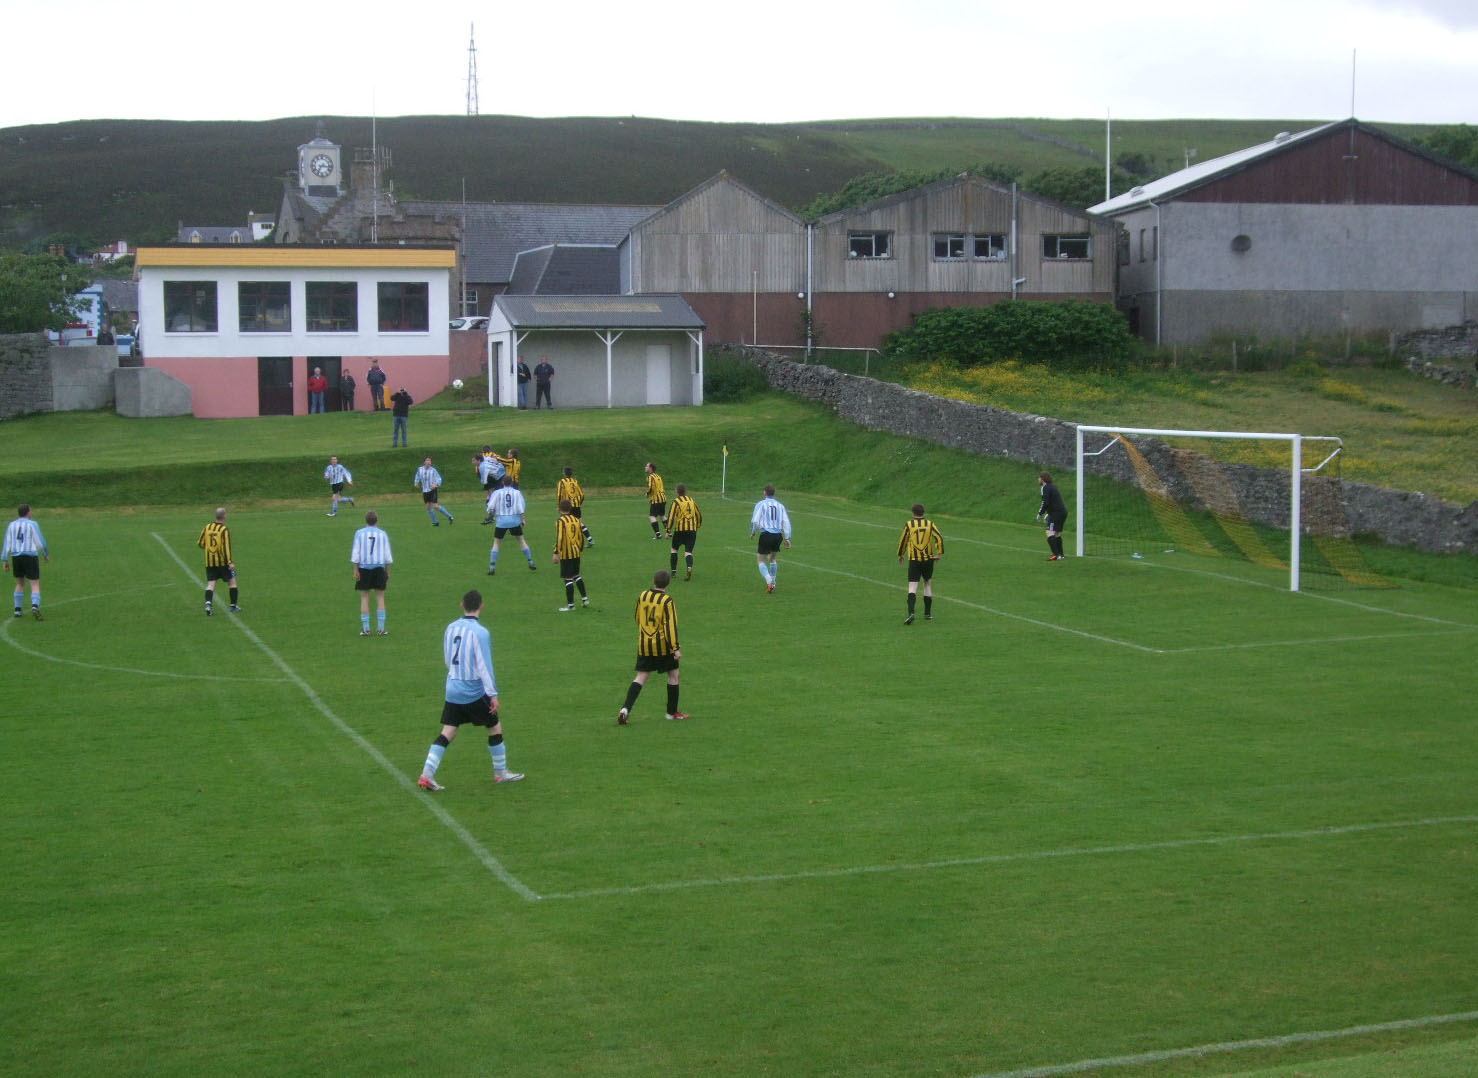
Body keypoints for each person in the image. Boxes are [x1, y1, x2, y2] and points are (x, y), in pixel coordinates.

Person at [417, 589, 524, 791]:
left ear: (462, 606)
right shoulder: (481, 632)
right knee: (494, 726)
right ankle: (501, 773)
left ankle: (427, 774)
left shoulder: (450, 627)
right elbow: (484, 666)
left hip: (452, 687)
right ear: (481, 607)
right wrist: (493, 695)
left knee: (449, 730)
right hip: (473, 691)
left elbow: (447, 658)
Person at [616, 569, 687, 725]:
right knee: (674, 675)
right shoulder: (667, 601)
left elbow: (637, 617)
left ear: (654, 581)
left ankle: (625, 709)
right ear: (668, 584)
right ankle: (671, 713)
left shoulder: (643, 596)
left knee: (641, 677)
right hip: (663, 646)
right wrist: (675, 648)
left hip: (645, 644)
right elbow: (670, 626)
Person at [897, 503, 944, 625]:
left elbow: (903, 540)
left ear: (913, 513)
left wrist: (901, 554)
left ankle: (911, 613)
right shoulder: (930, 524)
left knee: (912, 586)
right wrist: (939, 554)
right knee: (927, 584)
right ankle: (928, 614)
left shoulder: (909, 525)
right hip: (928, 559)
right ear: (923, 512)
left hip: (914, 560)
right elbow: (939, 538)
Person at [4, 503, 49, 621]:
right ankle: (35, 606)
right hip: (30, 556)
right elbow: (40, 542)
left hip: (16, 557)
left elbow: (7, 542)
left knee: (20, 583)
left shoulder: (11, 525)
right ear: (28, 512)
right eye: (31, 510)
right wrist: (45, 554)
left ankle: (17, 609)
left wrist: (5, 559)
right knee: (34, 583)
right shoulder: (32, 524)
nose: (32, 512)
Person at [351, 509, 393, 635]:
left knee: (364, 598)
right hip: (379, 568)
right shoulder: (382, 534)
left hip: (364, 568)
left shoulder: (359, 533)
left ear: (366, 520)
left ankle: (366, 629)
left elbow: (356, 553)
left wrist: (356, 569)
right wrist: (387, 571)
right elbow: (387, 555)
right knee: (380, 597)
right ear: (377, 520)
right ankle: (381, 629)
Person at [486, 475, 536, 575]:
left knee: (496, 543)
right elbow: (520, 506)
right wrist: (523, 519)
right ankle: (530, 561)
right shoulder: (517, 493)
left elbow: (490, 506)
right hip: (514, 520)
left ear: (503, 483)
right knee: (521, 540)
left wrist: (490, 513)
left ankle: (492, 567)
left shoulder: (497, 492)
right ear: (512, 483)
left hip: (501, 521)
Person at [750, 484, 792, 594]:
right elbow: (786, 522)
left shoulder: (761, 504)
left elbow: (755, 521)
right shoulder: (780, 506)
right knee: (772, 559)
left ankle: (769, 581)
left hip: (766, 535)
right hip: (778, 536)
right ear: (774, 493)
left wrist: (753, 532)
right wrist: (787, 538)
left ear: (764, 492)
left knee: (761, 560)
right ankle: (773, 581)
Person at [197, 506, 240, 616]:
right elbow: (226, 548)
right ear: (224, 516)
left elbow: (200, 543)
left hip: (210, 562)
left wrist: (210, 549)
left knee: (211, 584)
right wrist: (230, 562)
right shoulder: (224, 530)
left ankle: (208, 604)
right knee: (232, 582)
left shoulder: (207, 527)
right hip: (223, 562)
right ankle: (233, 606)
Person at [553, 498, 590, 611]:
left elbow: (560, 537)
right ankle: (585, 599)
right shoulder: (576, 519)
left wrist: (556, 552)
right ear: (570, 508)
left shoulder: (561, 521)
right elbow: (580, 536)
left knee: (568, 578)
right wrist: (580, 549)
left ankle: (571, 606)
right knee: (576, 575)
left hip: (566, 553)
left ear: (559, 509)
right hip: (576, 552)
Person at [665, 483, 702, 581]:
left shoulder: (676, 502)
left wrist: (668, 530)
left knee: (674, 550)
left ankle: (673, 572)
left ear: (677, 492)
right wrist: (697, 526)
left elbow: (671, 517)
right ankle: (689, 567)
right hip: (692, 530)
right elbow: (698, 515)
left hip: (680, 531)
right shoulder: (691, 500)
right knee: (688, 552)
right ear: (685, 491)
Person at [556, 465, 594, 547]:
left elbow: (559, 495)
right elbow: (582, 494)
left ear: (564, 473)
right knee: (578, 523)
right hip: (577, 506)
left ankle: (566, 542)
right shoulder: (575, 481)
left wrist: (559, 506)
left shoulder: (562, 482)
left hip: (567, 506)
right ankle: (589, 539)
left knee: (565, 522)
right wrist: (579, 503)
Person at [414, 456, 455, 526]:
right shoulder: (420, 469)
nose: (428, 462)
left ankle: (450, 517)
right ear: (424, 462)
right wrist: (416, 482)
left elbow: (439, 479)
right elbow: (417, 476)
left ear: (431, 462)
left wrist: (436, 484)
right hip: (425, 491)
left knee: (435, 506)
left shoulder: (433, 470)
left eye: (430, 461)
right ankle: (435, 522)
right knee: (428, 507)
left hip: (432, 490)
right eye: (427, 460)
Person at [1037, 472, 1068, 561]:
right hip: (1062, 512)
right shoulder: (1053, 486)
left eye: (1039, 478)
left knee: (1049, 532)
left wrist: (1040, 513)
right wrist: (1048, 513)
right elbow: (1054, 501)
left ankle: (1056, 555)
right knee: (1057, 534)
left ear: (1042, 479)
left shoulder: (1045, 488)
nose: (1038, 480)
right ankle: (1061, 555)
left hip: (1056, 513)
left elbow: (1045, 502)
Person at [475, 447, 507, 521]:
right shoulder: (492, 454)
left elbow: (479, 471)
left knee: (489, 495)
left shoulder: (482, 457)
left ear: (483, 450)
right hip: (495, 474)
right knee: (494, 495)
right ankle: (494, 513)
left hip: (488, 474)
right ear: (490, 450)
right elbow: (497, 459)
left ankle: (491, 514)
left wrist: (481, 478)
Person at [644, 461, 667, 540]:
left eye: (647, 466)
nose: (645, 467)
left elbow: (651, 488)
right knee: (662, 515)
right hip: (663, 498)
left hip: (657, 500)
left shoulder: (651, 477)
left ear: (650, 468)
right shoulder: (658, 476)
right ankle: (669, 532)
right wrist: (652, 498)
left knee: (652, 516)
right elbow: (659, 488)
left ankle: (658, 535)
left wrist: (647, 494)